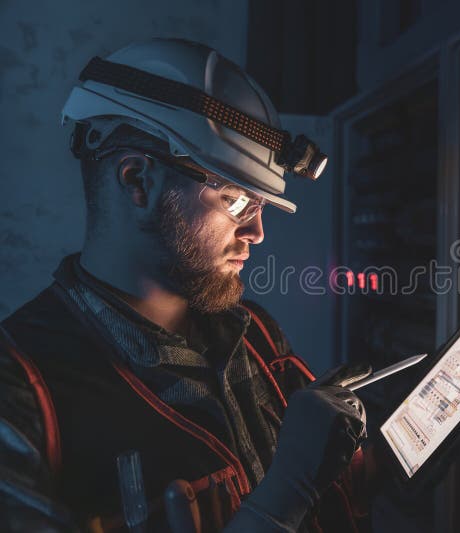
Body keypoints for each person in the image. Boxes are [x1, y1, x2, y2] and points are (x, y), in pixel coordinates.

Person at [0, 38, 376, 532]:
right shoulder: (21, 390)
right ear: (138, 181)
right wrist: (283, 499)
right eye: (237, 200)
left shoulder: (256, 335)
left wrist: (361, 482)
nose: (257, 232)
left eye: (262, 206)